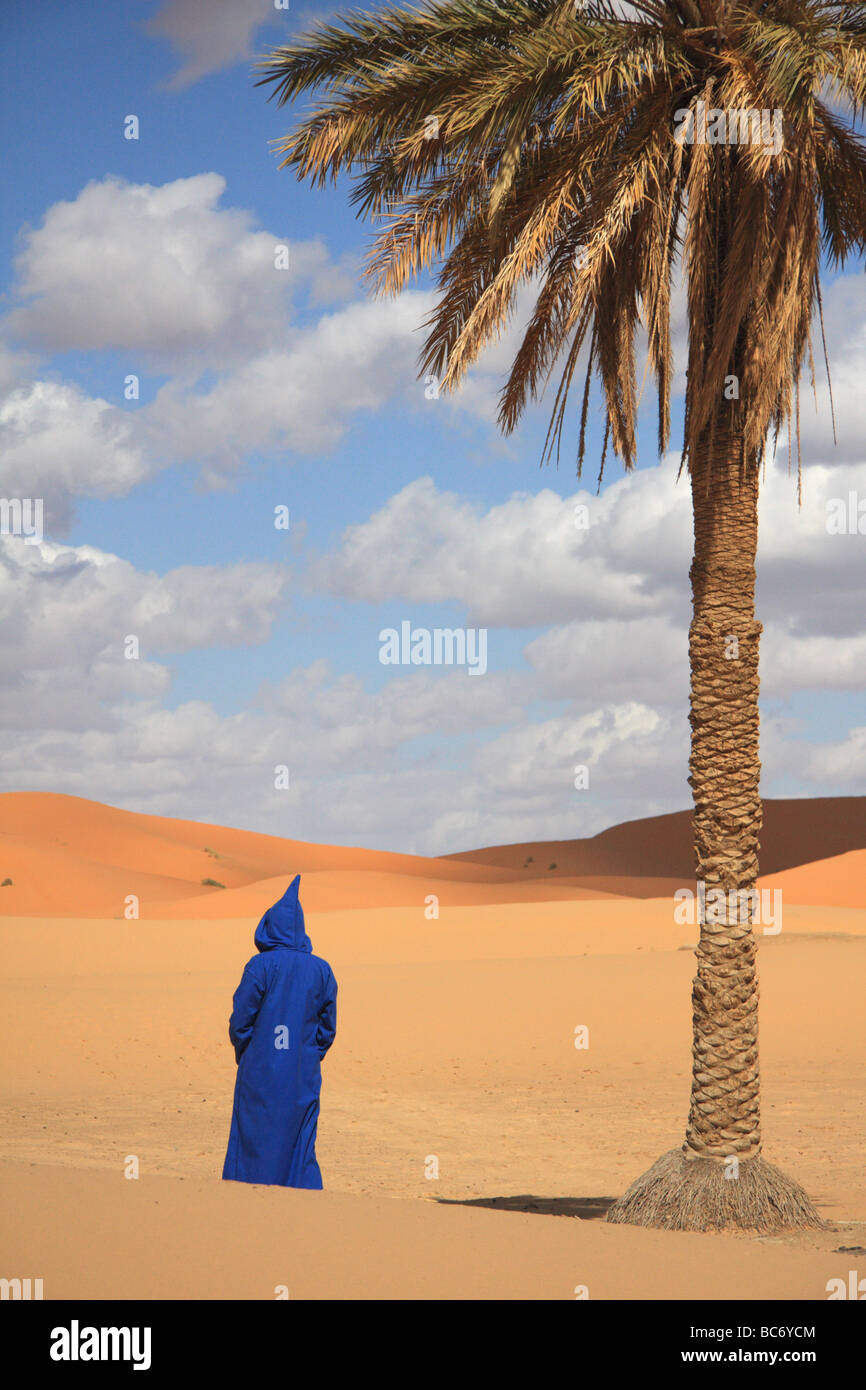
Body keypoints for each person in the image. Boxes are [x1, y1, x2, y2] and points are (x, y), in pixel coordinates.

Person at [222, 874, 337, 1189]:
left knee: (255, 1135)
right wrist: (308, 1054)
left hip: (260, 1070)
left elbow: (240, 1020)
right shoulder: (322, 970)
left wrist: (247, 1051)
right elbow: (328, 1028)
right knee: (299, 1136)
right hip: (303, 1072)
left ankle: (249, 1195)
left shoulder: (259, 966)